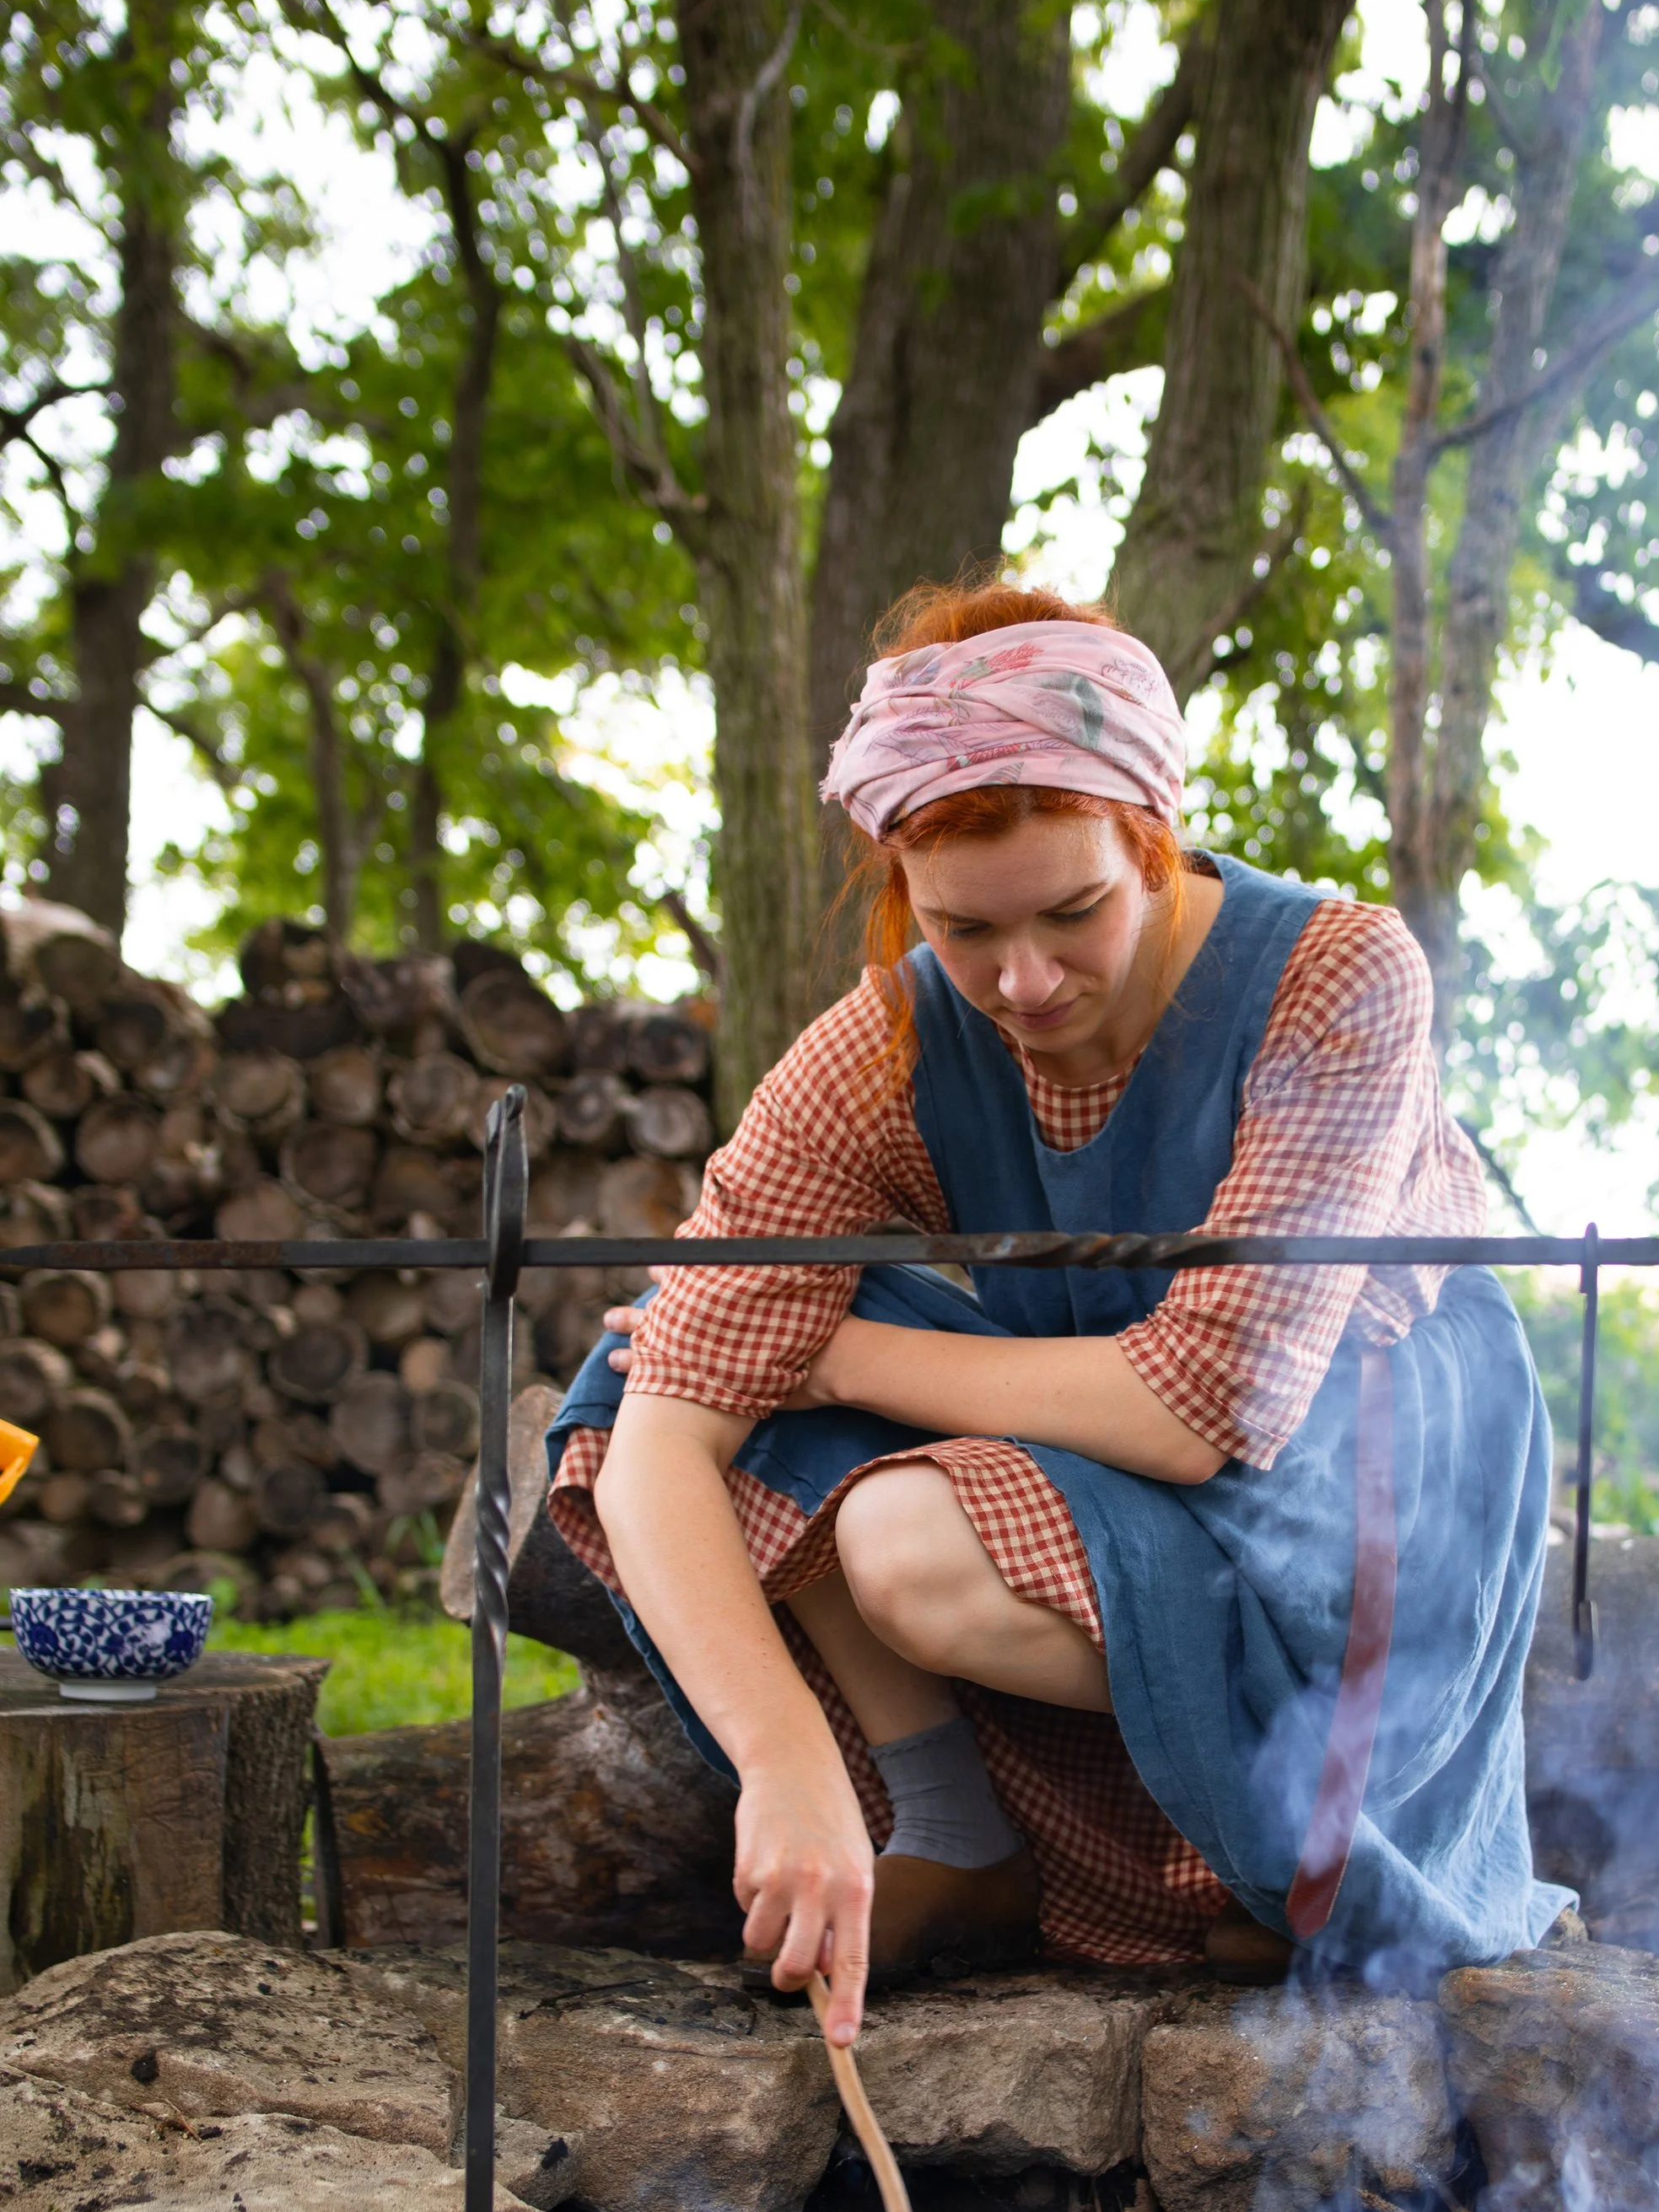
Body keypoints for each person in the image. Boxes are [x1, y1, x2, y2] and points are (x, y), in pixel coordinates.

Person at [547, 581, 1568, 2044]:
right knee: (661, 1352)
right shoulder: (885, 1045)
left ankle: (1264, 1860)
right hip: (1103, 1439)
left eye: (1075, 910)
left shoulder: (1333, 976)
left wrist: (843, 1350)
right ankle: (957, 1834)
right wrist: (786, 1765)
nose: (1023, 981)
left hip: (1348, 1502)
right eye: (965, 930)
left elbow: (1212, 1406)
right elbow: (660, 1438)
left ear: (1151, 837)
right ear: (905, 887)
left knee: (878, 1503)